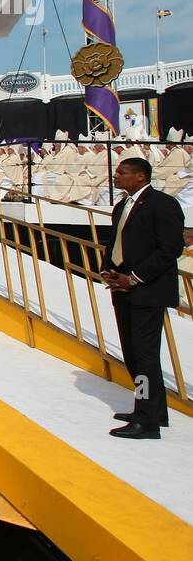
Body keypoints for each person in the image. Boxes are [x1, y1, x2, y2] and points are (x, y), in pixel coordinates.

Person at [101, 157, 183, 439]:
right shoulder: (121, 206)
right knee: (133, 354)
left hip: (148, 291)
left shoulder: (163, 205)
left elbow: (170, 249)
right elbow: (114, 243)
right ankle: (153, 410)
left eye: (122, 172)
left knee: (145, 357)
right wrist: (108, 271)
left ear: (140, 176)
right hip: (122, 289)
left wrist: (134, 277)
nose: (116, 176)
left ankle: (146, 420)